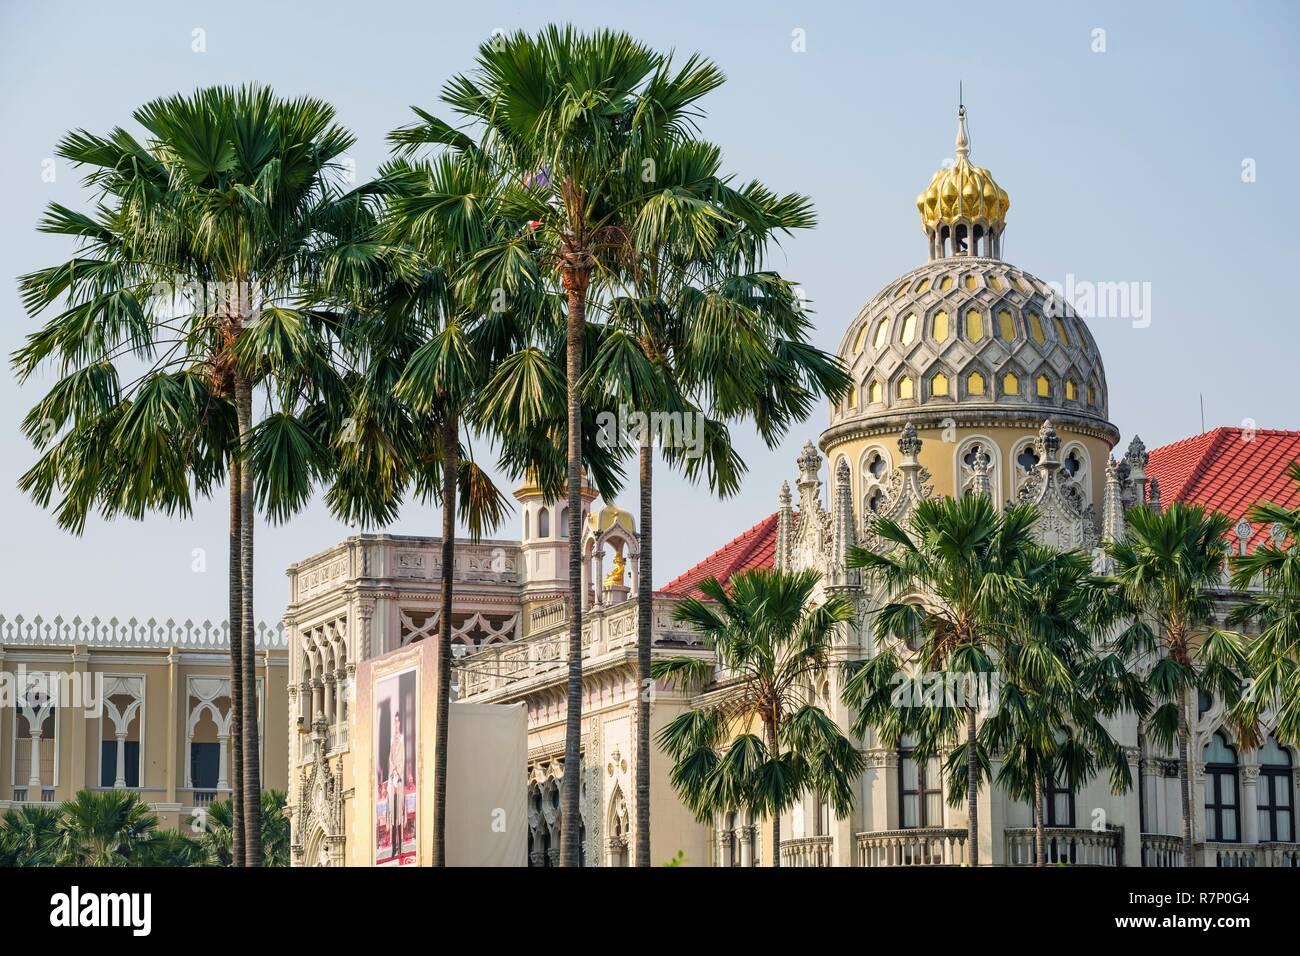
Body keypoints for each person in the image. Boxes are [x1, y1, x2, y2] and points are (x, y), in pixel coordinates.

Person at [388, 709, 405, 855]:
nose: (396, 723)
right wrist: (393, 770)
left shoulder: (402, 740)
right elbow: (390, 758)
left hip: (399, 781)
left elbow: (402, 759)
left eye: (398, 721)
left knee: (399, 815)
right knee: (392, 817)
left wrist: (398, 771)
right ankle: (393, 848)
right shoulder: (392, 740)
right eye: (395, 721)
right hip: (392, 780)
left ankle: (400, 847)